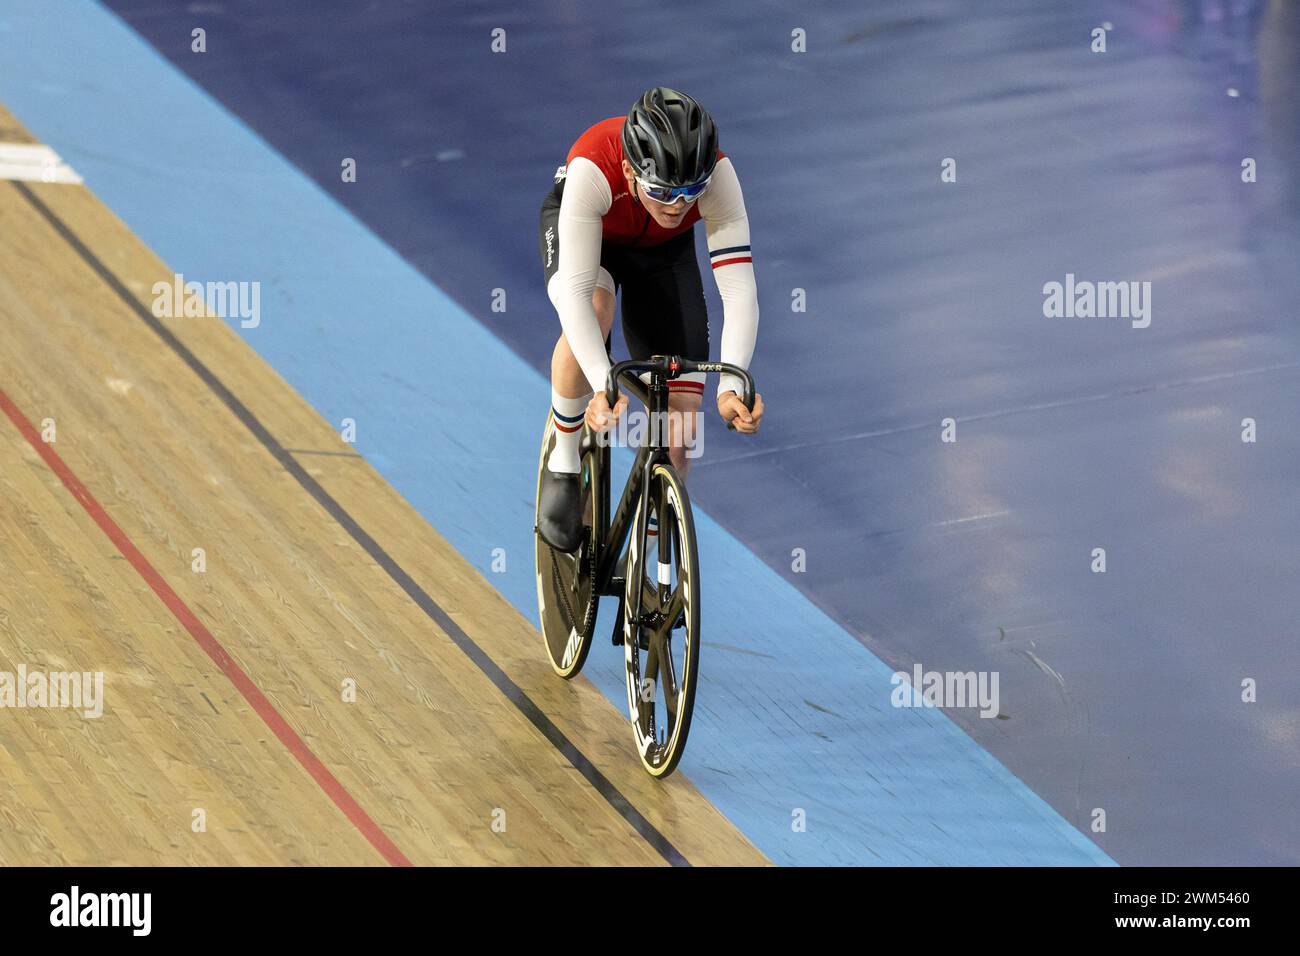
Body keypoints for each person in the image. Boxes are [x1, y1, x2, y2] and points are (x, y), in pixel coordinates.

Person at [536, 87, 764, 552]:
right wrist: (603, 381)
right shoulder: (593, 166)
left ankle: (652, 562)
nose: (677, 206)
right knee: (595, 311)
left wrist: (730, 387)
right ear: (628, 170)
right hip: (590, 242)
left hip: (663, 257)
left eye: (690, 193)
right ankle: (563, 460)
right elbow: (575, 295)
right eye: (661, 190)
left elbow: (738, 290)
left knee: (679, 435)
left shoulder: (719, 175)